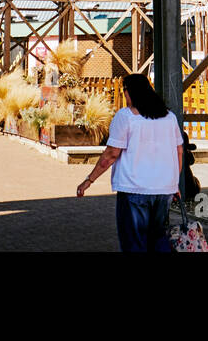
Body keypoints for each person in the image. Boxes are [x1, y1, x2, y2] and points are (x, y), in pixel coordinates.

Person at [75, 73, 183, 252]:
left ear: (130, 92)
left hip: (134, 188)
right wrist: (175, 182)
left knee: (134, 242)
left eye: (125, 90)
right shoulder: (169, 117)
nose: (124, 95)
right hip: (164, 190)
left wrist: (89, 180)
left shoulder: (125, 117)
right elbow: (178, 151)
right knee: (158, 238)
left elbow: (111, 154)